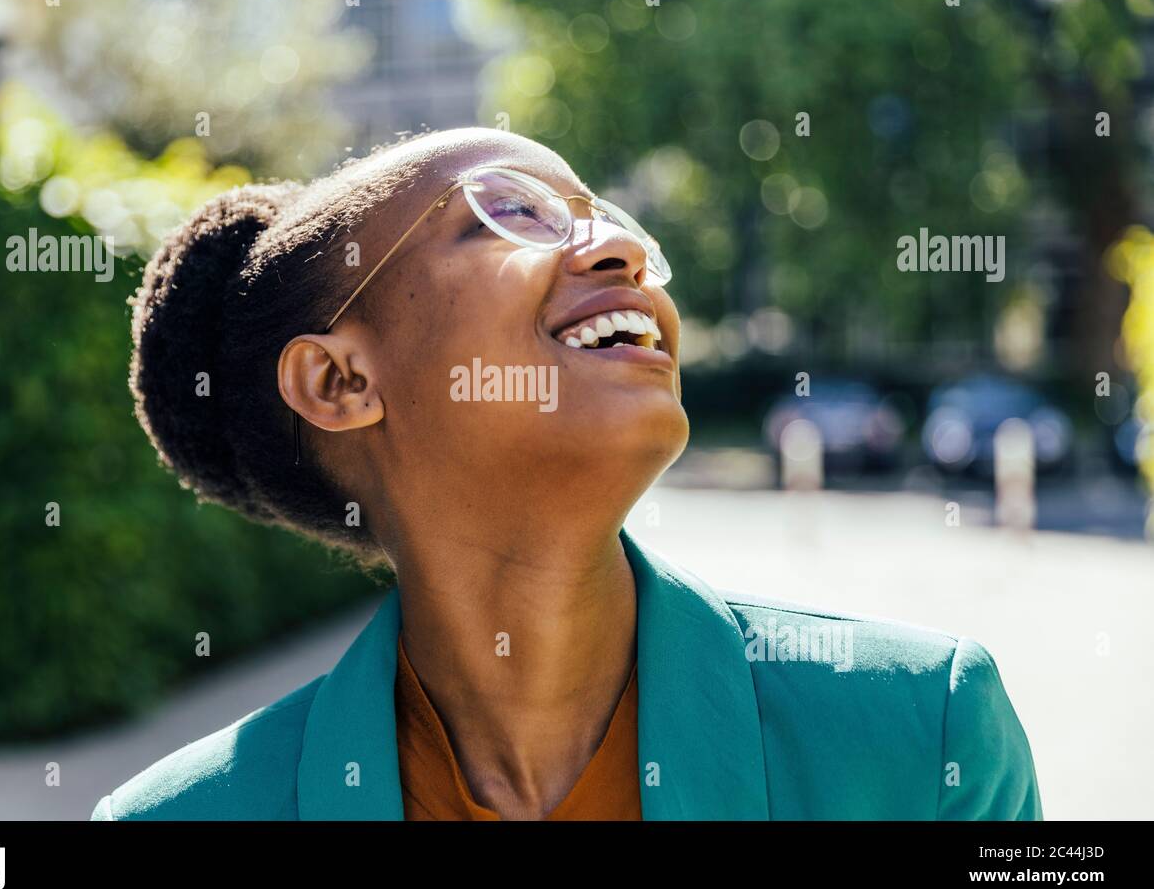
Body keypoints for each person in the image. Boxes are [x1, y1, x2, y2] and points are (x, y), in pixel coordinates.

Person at [91, 127, 1041, 820]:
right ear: (341, 380)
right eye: (510, 212)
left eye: (610, 219)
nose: (625, 251)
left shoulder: (928, 733)